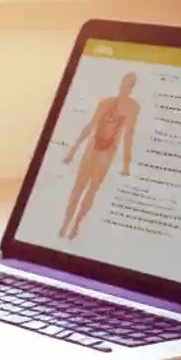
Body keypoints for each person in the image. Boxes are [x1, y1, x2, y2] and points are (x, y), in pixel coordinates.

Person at [58, 72, 139, 240]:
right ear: (121, 83)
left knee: (92, 189)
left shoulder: (132, 107)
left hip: (107, 153)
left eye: (130, 84)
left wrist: (126, 165)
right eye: (125, 82)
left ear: (132, 87)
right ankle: (66, 223)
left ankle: (77, 225)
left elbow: (128, 134)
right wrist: (73, 150)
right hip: (92, 148)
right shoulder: (106, 102)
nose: (126, 87)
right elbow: (91, 125)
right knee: (78, 187)